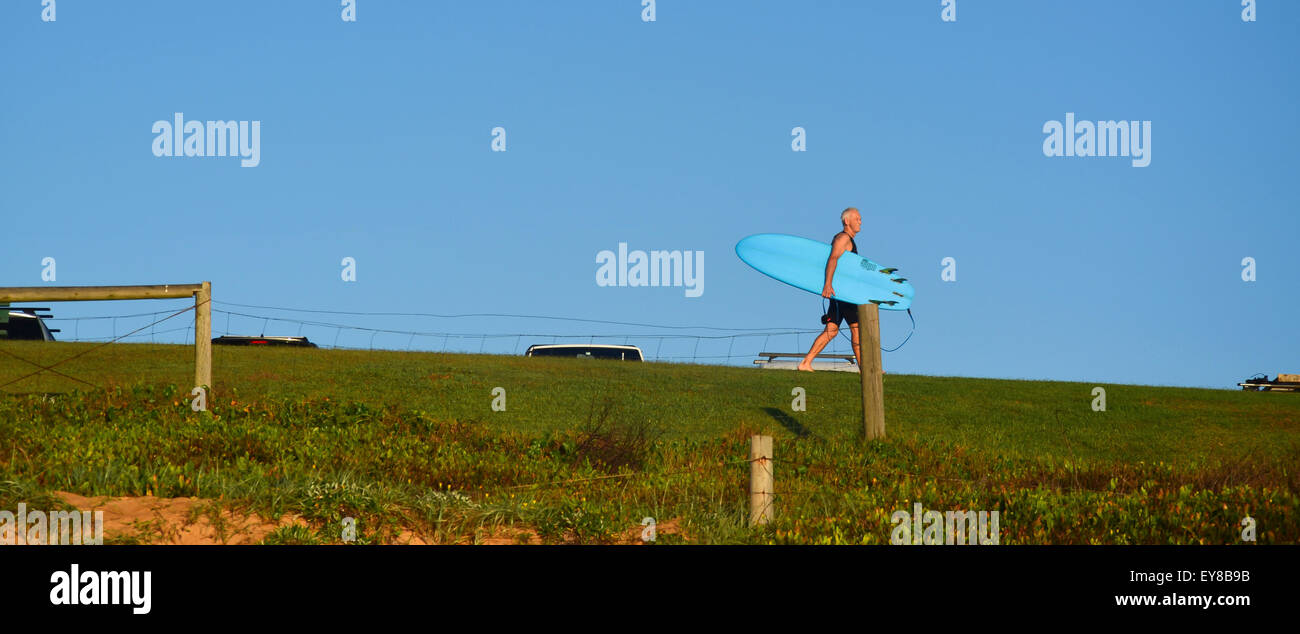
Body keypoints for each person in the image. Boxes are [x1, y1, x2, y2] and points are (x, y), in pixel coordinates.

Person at [797, 207, 863, 372]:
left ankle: (805, 363)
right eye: (857, 218)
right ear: (847, 221)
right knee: (857, 329)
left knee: (832, 330)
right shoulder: (843, 238)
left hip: (839, 293)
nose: (860, 221)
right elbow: (832, 259)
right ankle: (865, 368)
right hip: (844, 294)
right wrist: (827, 284)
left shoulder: (846, 239)